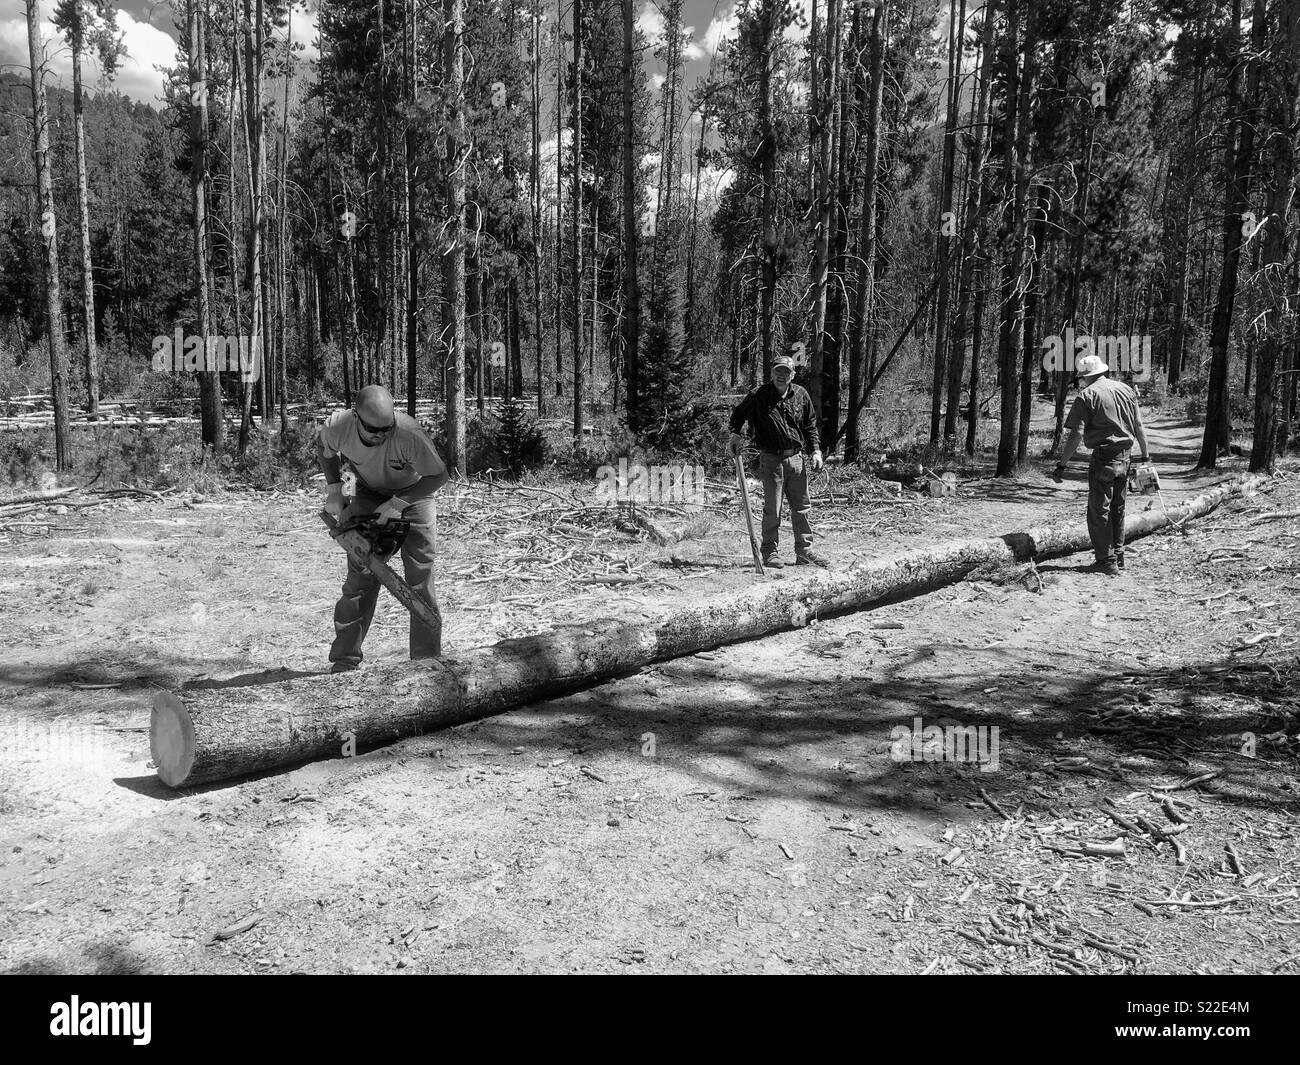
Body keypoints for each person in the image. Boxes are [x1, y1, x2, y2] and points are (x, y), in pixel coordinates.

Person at [317, 385, 449, 670]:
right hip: (366, 492)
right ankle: (345, 660)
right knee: (360, 578)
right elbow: (324, 448)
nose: (380, 435)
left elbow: (439, 475)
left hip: (414, 496)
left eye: (385, 429)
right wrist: (335, 491)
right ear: (356, 417)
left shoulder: (409, 434)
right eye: (373, 430)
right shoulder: (339, 426)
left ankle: (426, 664)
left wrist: (399, 503)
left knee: (420, 578)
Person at [1051, 354, 1153, 577]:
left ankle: (1106, 561)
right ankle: (1118, 555)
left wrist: (1062, 465)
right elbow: (1138, 425)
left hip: (1104, 458)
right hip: (1126, 457)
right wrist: (1145, 456)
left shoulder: (1086, 396)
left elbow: (1076, 433)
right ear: (1102, 371)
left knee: (1099, 512)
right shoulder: (1125, 390)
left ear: (1085, 377)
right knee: (1118, 508)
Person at [728, 354, 827, 568]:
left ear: (792, 374)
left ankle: (804, 551)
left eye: (786, 372)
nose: (782, 375)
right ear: (772, 373)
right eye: (778, 371)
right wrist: (736, 434)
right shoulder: (758, 395)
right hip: (772, 459)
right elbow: (738, 414)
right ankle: (770, 552)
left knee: (802, 507)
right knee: (773, 508)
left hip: (797, 459)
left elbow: (810, 426)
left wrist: (816, 451)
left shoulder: (801, 394)